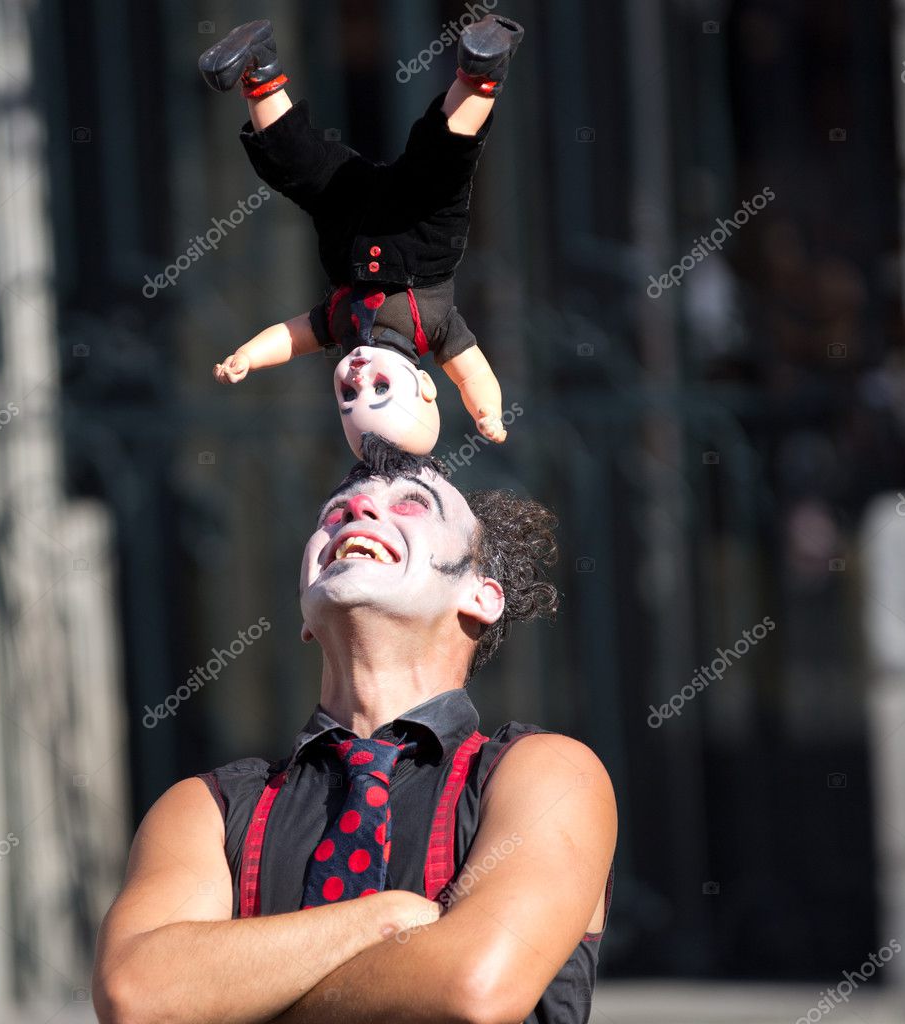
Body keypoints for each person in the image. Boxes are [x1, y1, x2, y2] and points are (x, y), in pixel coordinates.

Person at [92, 435, 617, 1024]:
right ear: (304, 613)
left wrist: (237, 993)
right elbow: (137, 996)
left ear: (481, 596)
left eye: (412, 505)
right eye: (335, 513)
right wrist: (385, 919)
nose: (358, 513)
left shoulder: (547, 774)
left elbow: (473, 990)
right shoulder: (206, 810)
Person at [201, 15, 525, 456]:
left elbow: (292, 336)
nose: (358, 379)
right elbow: (472, 374)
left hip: (348, 215)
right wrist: (488, 411)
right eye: (381, 388)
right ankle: (482, 73)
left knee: (296, 166)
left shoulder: (339, 325)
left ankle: (259, 69)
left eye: (349, 398)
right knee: (441, 155)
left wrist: (249, 357)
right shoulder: (436, 330)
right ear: (424, 385)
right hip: (421, 225)